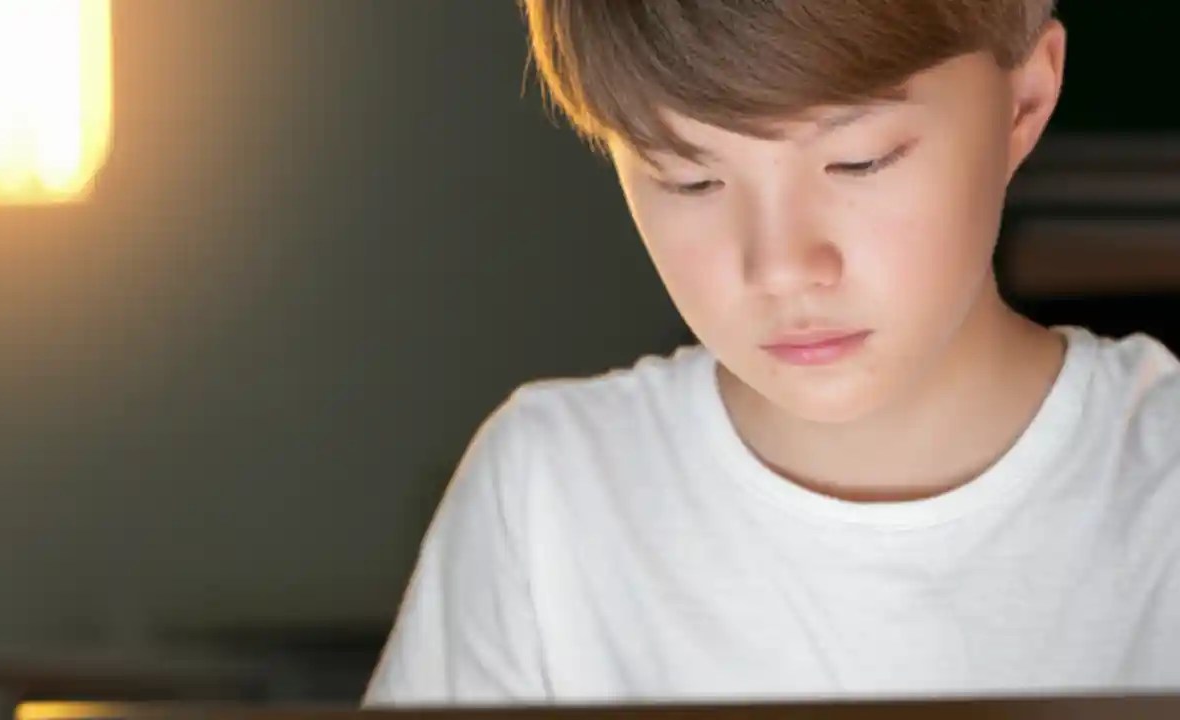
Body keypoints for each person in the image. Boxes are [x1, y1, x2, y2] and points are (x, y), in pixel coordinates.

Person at [364, 0, 1180, 707]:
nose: (781, 267)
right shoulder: (551, 496)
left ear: (1022, 104)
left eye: (858, 161)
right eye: (690, 180)